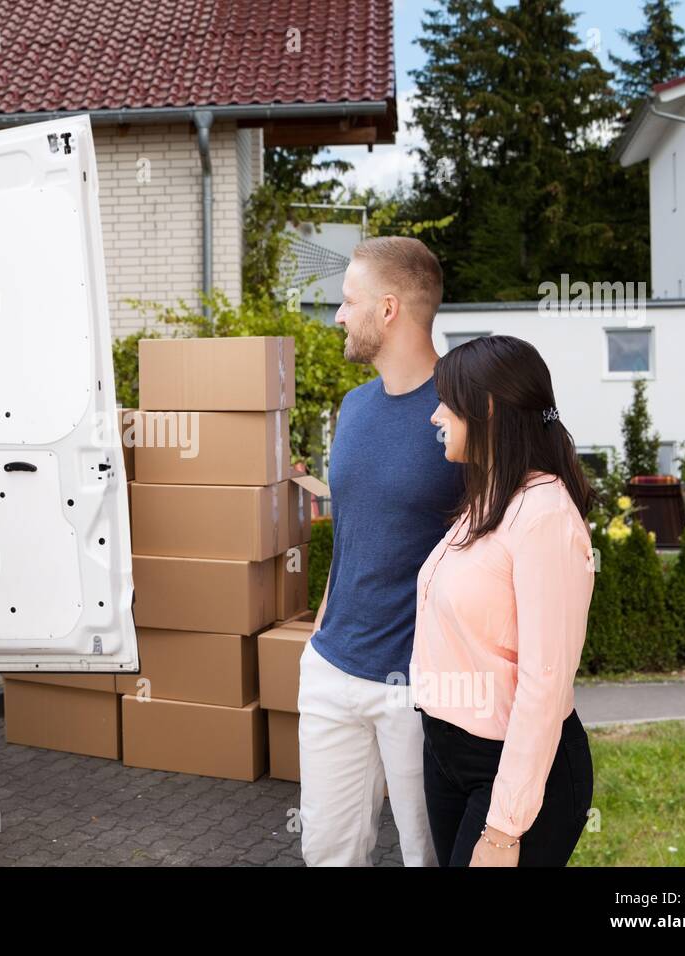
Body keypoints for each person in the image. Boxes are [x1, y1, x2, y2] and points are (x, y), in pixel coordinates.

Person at [298, 236, 463, 867]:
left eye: (347, 301)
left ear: (388, 309)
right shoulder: (354, 406)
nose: (338, 314)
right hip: (332, 668)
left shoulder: (465, 409)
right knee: (328, 853)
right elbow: (357, 526)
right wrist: (320, 627)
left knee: (429, 854)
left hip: (420, 685)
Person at [412, 334, 596, 867]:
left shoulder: (545, 516)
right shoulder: (489, 498)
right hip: (448, 752)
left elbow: (544, 683)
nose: (435, 416)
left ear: (487, 408)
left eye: (447, 401)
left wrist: (502, 829)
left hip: (510, 770)